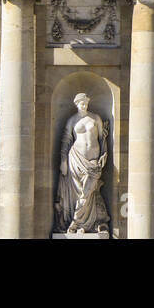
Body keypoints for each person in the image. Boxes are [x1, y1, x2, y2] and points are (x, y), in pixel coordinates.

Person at [55, 92, 110, 233]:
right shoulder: (72, 120)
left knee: (87, 192)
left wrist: (104, 154)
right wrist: (63, 161)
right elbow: (66, 141)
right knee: (78, 193)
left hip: (92, 161)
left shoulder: (95, 118)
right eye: (81, 102)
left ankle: (76, 222)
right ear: (76, 104)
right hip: (75, 159)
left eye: (86, 102)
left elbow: (102, 138)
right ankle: (79, 224)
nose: (84, 104)